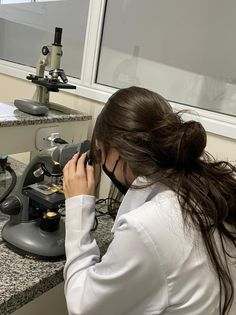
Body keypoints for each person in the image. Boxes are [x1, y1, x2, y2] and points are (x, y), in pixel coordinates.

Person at [63, 86, 236, 315]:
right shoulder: (210, 187)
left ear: (116, 152)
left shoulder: (146, 227)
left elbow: (83, 306)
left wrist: (78, 205)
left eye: (101, 152)